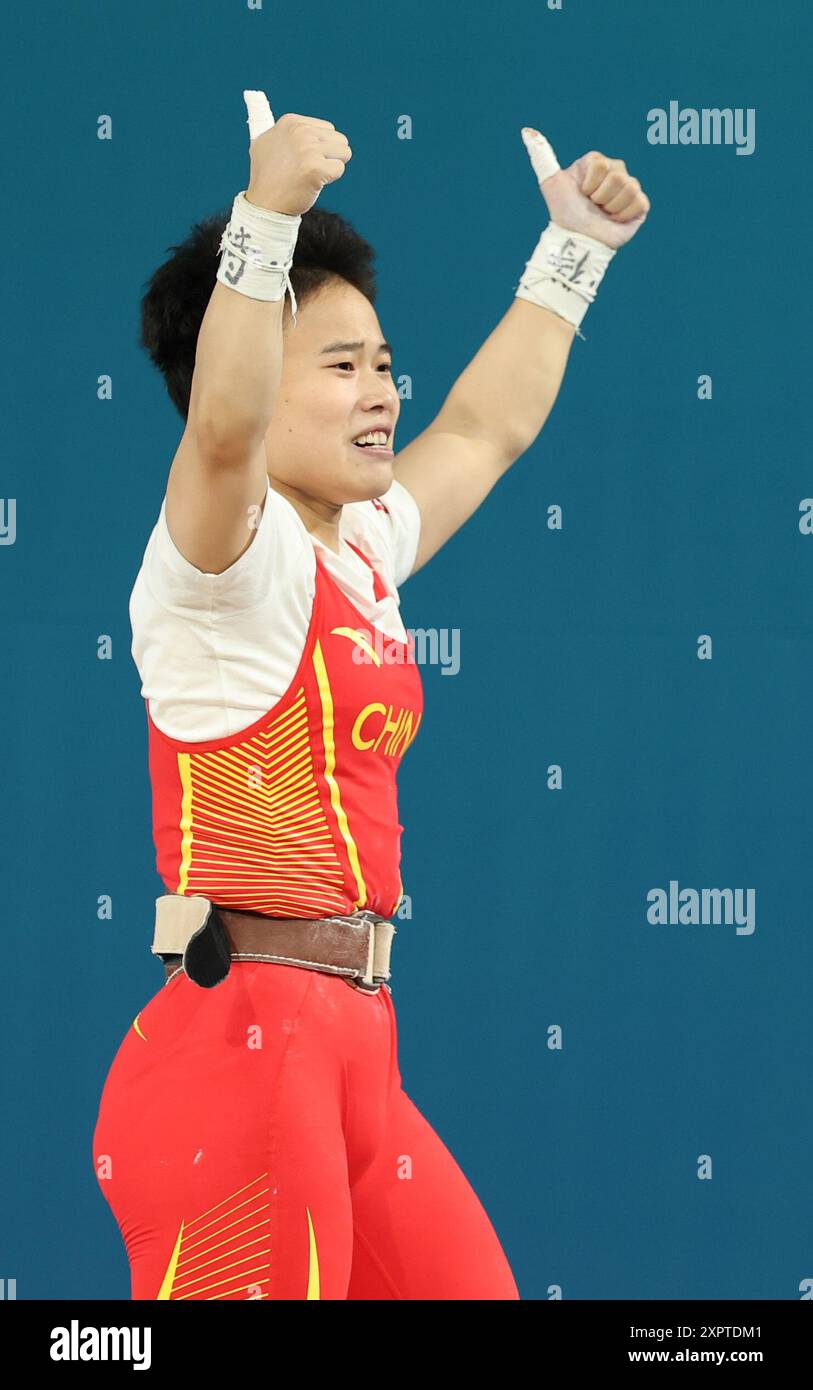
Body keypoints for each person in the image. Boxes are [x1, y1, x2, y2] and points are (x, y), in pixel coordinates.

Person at [92, 92, 650, 1300]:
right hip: (236, 1060)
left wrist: (574, 253)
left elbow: (485, 430)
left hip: (357, 1059)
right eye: (341, 367)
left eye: (385, 364)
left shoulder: (360, 546)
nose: (382, 391)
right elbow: (225, 431)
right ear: (251, 379)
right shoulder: (220, 563)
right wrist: (262, 217)